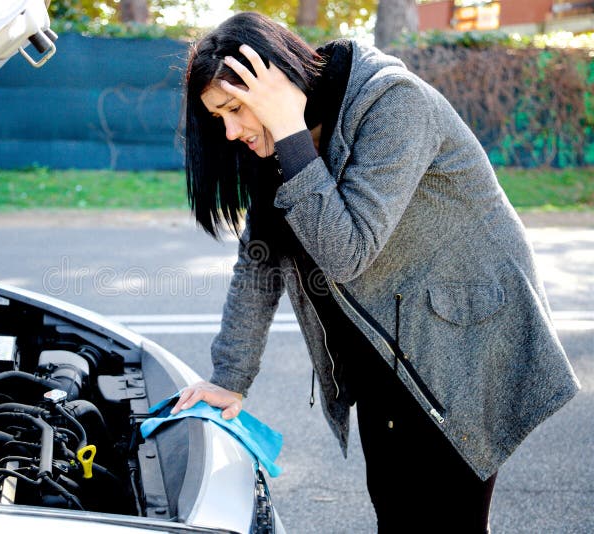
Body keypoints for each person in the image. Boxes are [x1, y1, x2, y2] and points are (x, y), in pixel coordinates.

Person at [170, 11, 580, 531]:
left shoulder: (393, 103)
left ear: (275, 84)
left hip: (463, 341)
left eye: (234, 109)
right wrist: (229, 379)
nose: (229, 131)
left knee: (446, 519)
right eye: (217, 118)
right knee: (398, 512)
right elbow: (260, 264)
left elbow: (347, 251)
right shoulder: (275, 145)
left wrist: (291, 132)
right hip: (385, 343)